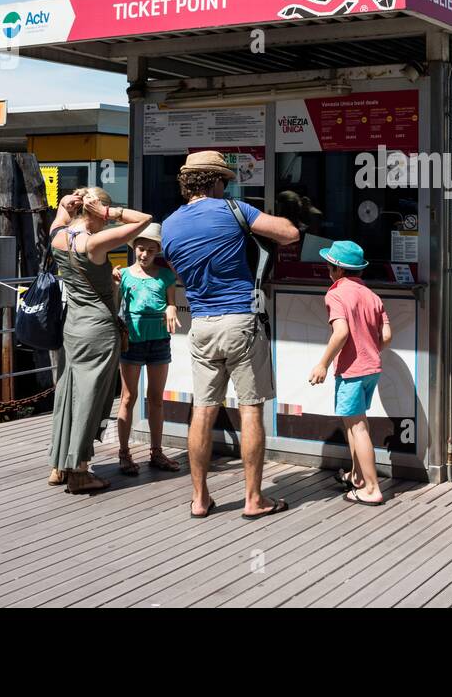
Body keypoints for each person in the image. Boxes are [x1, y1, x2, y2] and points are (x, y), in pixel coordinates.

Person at [160, 151, 299, 520]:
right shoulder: (233, 210)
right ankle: (254, 499)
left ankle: (200, 499)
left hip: (201, 326)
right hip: (240, 320)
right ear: (217, 181)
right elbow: (289, 233)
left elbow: (177, 267)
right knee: (250, 409)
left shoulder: (170, 225)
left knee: (203, 411)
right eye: (225, 179)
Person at [47, 188, 153, 494]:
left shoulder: (58, 236)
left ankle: (59, 465)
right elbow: (144, 220)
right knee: (90, 399)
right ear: (95, 212)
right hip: (97, 329)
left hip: (74, 327)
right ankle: (79, 471)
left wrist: (68, 204)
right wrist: (110, 212)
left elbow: (62, 214)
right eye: (103, 217)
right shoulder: (93, 243)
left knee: (69, 394)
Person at [308, 241, 392, 507]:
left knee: (358, 427)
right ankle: (357, 477)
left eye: (330, 267)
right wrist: (371, 350)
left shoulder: (336, 294)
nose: (328, 271)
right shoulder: (372, 296)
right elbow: (387, 335)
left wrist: (322, 363)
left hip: (351, 370)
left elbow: (341, 332)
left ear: (338, 270)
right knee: (354, 423)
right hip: (371, 369)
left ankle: (371, 488)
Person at [113, 222, 182, 476]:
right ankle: (124, 453)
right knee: (128, 397)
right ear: (134, 248)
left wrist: (171, 307)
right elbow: (114, 305)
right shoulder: (124, 275)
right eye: (141, 249)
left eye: (150, 250)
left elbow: (172, 302)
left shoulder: (165, 276)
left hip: (159, 341)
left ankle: (156, 451)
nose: (144, 254)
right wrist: (113, 284)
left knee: (156, 398)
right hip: (132, 340)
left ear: (157, 251)